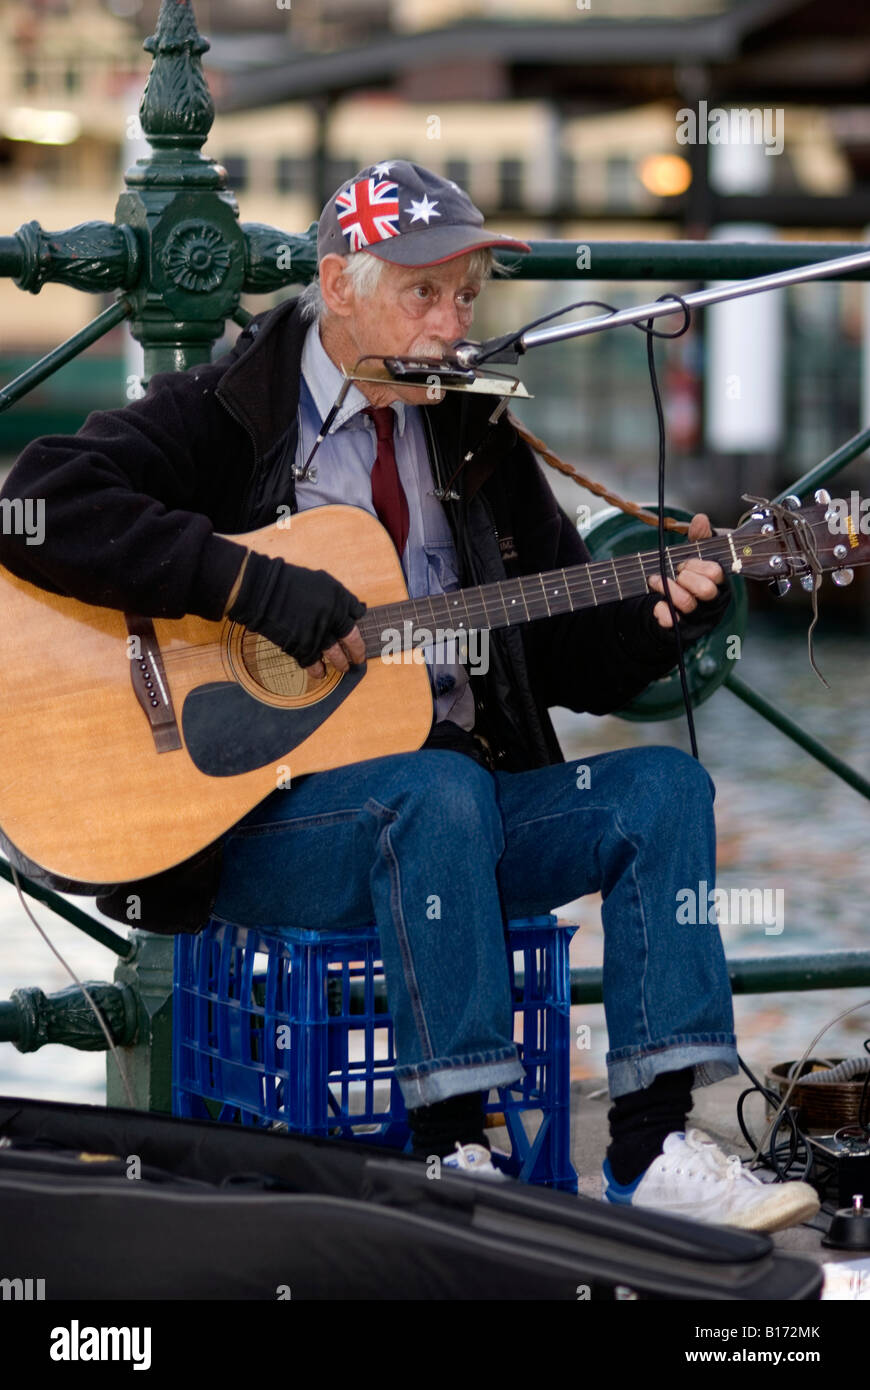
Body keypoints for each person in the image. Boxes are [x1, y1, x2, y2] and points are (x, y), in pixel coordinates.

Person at [0, 160, 818, 1232]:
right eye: (423, 294)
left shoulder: (474, 435)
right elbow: (39, 501)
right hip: (263, 826)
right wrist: (251, 585)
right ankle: (450, 1149)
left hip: (457, 814)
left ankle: (654, 1145)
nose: (451, 326)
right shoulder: (229, 413)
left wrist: (668, 615)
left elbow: (567, 658)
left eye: (466, 299)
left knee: (661, 790)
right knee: (434, 787)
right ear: (338, 285)